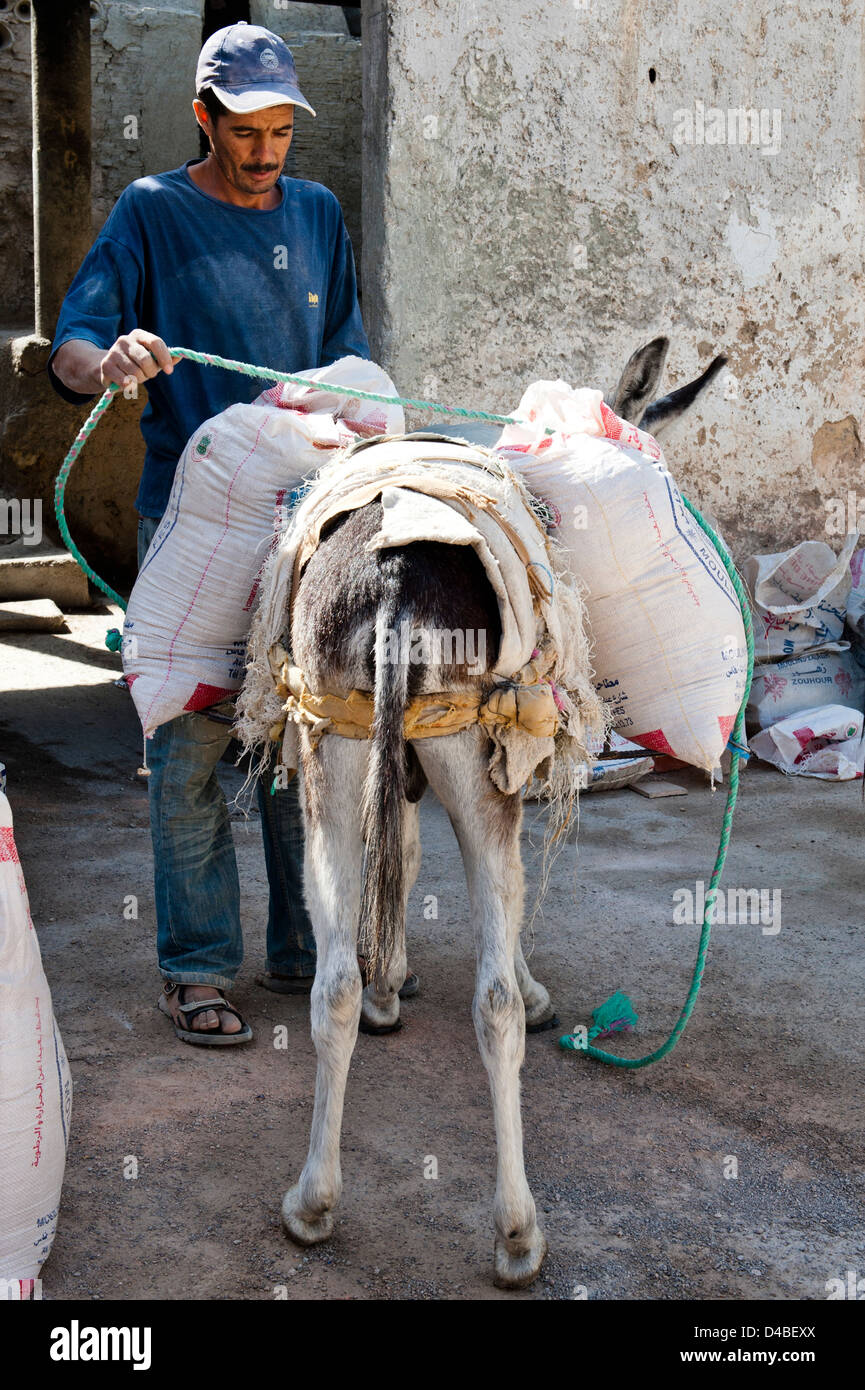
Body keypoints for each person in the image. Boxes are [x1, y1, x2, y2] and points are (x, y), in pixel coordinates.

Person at [49, 22, 385, 1043]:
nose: (266, 150)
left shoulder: (319, 215)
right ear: (204, 119)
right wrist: (109, 364)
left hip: (303, 520)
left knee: (303, 732)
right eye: (246, 131)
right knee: (192, 744)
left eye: (282, 130)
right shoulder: (151, 213)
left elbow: (349, 359)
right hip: (191, 525)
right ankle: (197, 969)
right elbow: (71, 344)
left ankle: (306, 953)